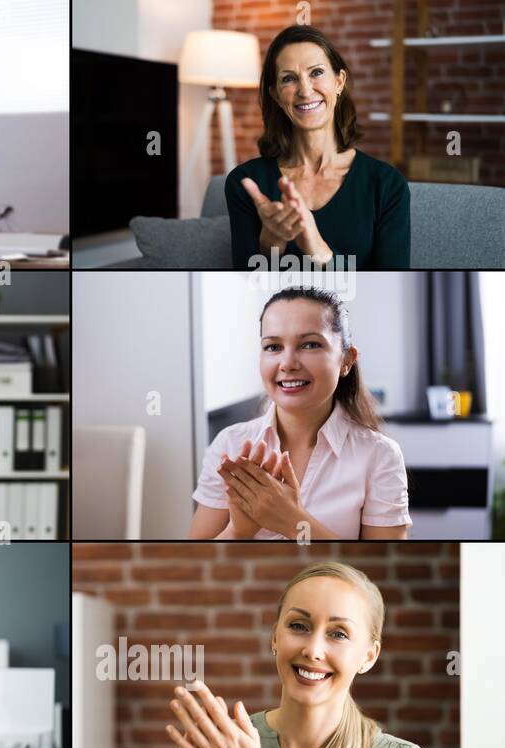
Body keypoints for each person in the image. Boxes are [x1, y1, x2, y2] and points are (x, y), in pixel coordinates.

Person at [166, 562, 426, 748]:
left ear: (368, 657)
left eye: (338, 634)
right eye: (298, 626)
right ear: (275, 638)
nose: (313, 650)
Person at [188, 286, 410, 540]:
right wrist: (237, 531)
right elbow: (193, 560)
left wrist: (294, 522)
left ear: (347, 360)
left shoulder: (379, 455)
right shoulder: (230, 444)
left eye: (310, 344)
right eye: (273, 347)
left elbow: (383, 564)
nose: (288, 364)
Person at [226, 25, 409, 269]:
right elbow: (244, 285)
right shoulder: (246, 183)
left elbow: (389, 288)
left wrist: (320, 251)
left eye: (316, 72)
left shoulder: (387, 185)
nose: (305, 90)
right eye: (289, 78)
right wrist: (271, 243)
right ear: (276, 96)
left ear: (339, 81)